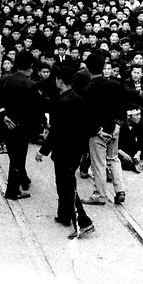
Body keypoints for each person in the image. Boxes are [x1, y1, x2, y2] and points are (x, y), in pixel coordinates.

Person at [35, 64, 95, 239]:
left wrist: (43, 151)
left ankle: (83, 222)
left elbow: (56, 131)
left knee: (67, 186)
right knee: (64, 183)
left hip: (63, 150)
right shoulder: (80, 100)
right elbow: (86, 127)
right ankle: (64, 215)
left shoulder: (61, 103)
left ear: (59, 81)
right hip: (76, 150)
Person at [0, 51, 45, 200]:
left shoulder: (4, 79)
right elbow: (35, 110)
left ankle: (23, 180)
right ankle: (12, 190)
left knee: (13, 155)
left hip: (6, 125)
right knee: (18, 158)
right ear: (30, 66)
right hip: (22, 127)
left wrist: (4, 116)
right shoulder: (31, 85)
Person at [82, 52, 126, 205]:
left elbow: (87, 114)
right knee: (113, 159)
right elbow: (122, 107)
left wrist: (97, 130)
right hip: (114, 129)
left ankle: (100, 195)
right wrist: (118, 125)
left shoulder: (87, 89)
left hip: (98, 132)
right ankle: (120, 190)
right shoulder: (115, 85)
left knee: (98, 163)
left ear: (88, 68)